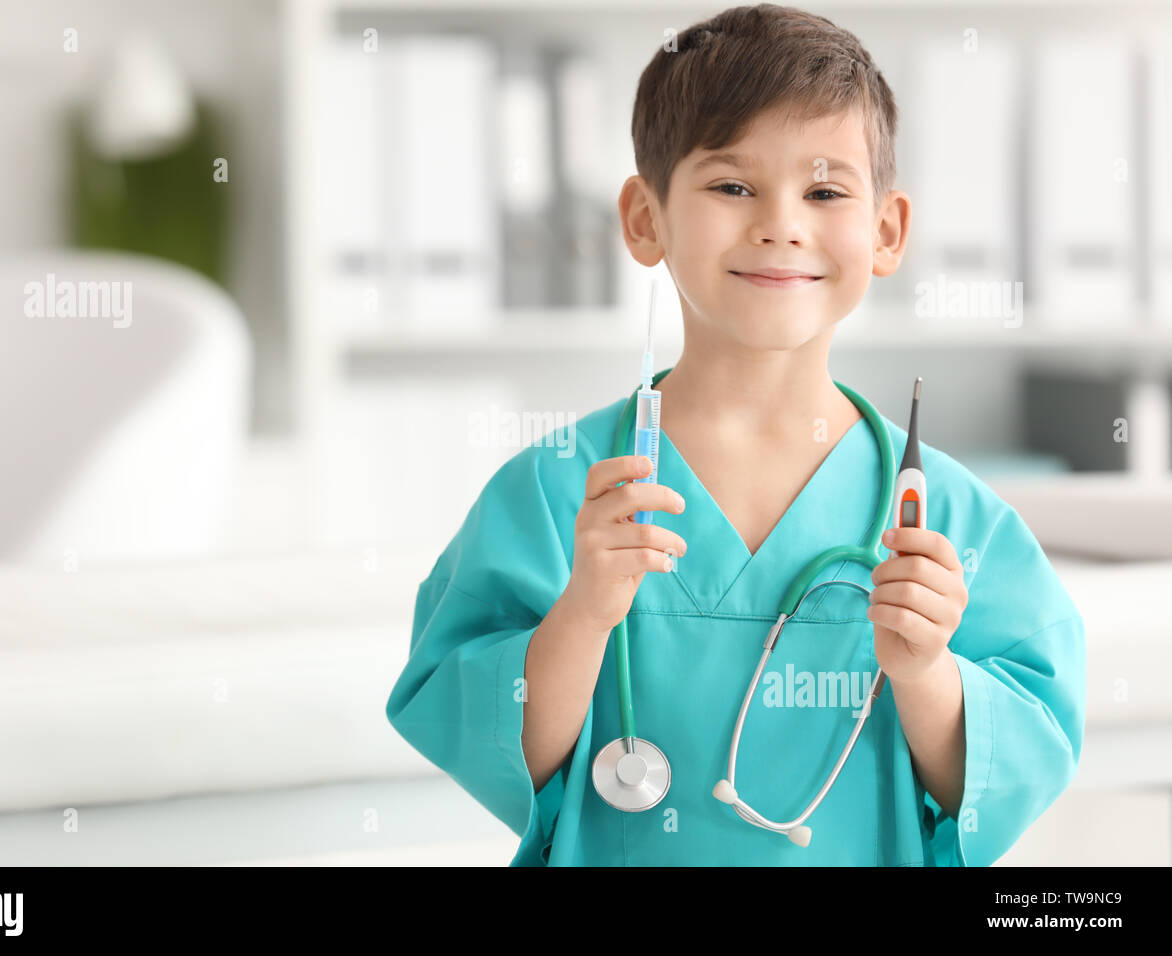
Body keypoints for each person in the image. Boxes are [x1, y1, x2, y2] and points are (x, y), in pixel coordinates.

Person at [385, 3, 1086, 866]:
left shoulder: (949, 521)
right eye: (732, 185)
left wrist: (923, 672)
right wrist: (584, 615)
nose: (780, 223)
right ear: (645, 219)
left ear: (886, 231)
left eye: (825, 191)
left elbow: (993, 781)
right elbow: (504, 755)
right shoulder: (557, 489)